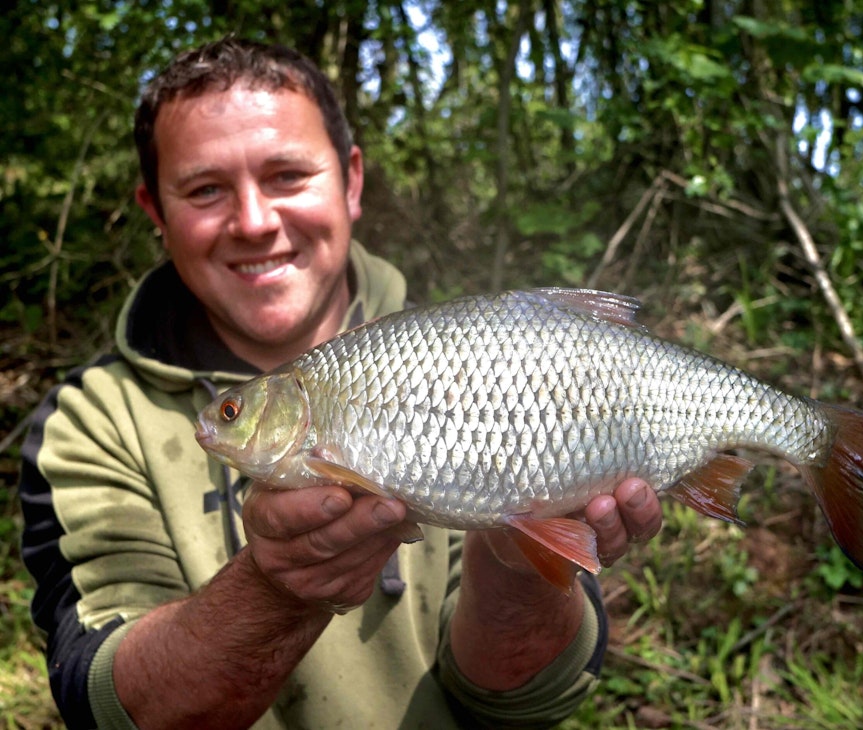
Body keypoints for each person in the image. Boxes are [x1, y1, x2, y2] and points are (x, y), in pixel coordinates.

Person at [19, 37, 664, 729]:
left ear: (351, 180)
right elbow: (114, 712)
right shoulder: (87, 423)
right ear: (155, 210)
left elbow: (523, 705)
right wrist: (279, 589)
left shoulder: (484, 362)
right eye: (206, 188)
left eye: (287, 175)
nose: (255, 222)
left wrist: (519, 563)